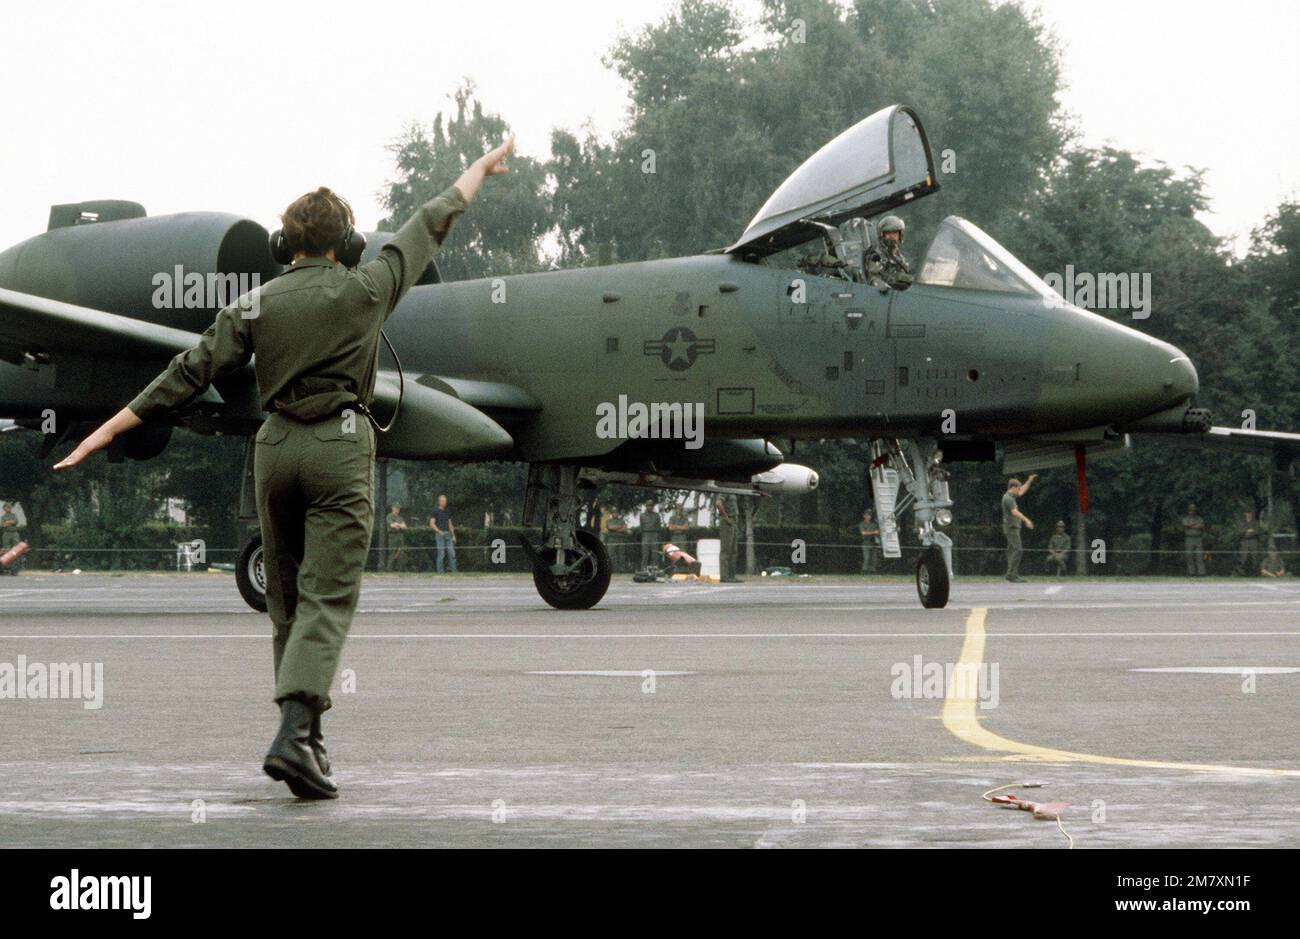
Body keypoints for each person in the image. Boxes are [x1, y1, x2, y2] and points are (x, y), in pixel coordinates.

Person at [53, 137, 515, 800]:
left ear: (283, 244)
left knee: (287, 604)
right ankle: (294, 733)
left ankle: (309, 742)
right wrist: (476, 169)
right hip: (339, 445)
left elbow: (188, 373)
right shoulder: (368, 286)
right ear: (346, 243)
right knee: (327, 601)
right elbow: (431, 219)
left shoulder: (255, 304)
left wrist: (104, 431)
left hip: (274, 447)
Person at [1001, 474, 1037, 583]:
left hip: (1014, 527)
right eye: (1018, 488)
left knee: (1012, 551)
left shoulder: (1011, 496)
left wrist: (1029, 480)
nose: (1019, 490)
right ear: (1013, 487)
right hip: (1011, 528)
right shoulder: (1007, 498)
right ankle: (1011, 575)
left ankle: (1012, 574)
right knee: (1018, 549)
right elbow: (1014, 512)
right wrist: (1026, 520)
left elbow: (1022, 491)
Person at [866, 215, 912, 291]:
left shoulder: (900, 257)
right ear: (882, 235)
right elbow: (873, 279)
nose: (892, 236)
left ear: (900, 235)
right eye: (888, 233)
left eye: (895, 233)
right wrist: (882, 285)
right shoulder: (877, 256)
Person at [714, 493, 740, 582]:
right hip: (727, 522)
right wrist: (726, 517)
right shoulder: (724, 490)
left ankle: (731, 576)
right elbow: (718, 503)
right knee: (726, 549)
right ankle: (724, 576)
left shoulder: (732, 490)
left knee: (733, 550)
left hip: (734, 521)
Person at [429, 493, 457, 574]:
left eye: (445, 501)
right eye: (443, 501)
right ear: (439, 502)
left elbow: (450, 524)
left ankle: (454, 572)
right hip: (440, 535)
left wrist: (453, 536)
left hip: (448, 534)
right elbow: (431, 523)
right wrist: (439, 531)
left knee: (452, 553)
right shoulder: (435, 511)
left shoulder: (447, 511)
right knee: (441, 554)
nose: (444, 502)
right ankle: (440, 573)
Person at [1182, 502, 1206, 576]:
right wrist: (1194, 525)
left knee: (1199, 556)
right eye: (1191, 508)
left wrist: (1191, 526)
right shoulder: (1185, 519)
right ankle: (1191, 572)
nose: (1192, 509)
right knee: (1189, 556)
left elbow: (1201, 526)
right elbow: (1185, 525)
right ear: (1188, 509)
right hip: (1189, 539)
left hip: (1198, 538)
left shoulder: (1199, 518)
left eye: (1194, 508)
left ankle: (1201, 573)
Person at [1237, 510, 1263, 576]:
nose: (1249, 514)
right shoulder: (1241, 522)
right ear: (1245, 514)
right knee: (1243, 558)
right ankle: (1242, 574)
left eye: (1250, 513)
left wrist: (1246, 532)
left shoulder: (1255, 522)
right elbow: (1240, 532)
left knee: (1255, 558)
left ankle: (1255, 574)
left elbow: (1256, 531)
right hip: (1244, 542)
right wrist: (1248, 531)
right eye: (1247, 513)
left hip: (1253, 541)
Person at [1, 503, 22, 575]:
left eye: (9, 507)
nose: (8, 509)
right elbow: (3, 525)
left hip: (14, 533)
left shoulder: (14, 515)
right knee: (6, 551)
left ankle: (15, 570)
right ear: (4, 509)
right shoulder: (3, 516)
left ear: (10, 508)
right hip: (6, 533)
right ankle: (4, 568)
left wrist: (8, 522)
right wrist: (10, 522)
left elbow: (15, 521)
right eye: (6, 508)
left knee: (15, 551)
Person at [638, 502, 661, 570]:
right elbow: (641, 527)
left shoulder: (657, 515)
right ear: (646, 506)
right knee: (645, 553)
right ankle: (643, 569)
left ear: (653, 507)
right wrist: (644, 534)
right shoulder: (642, 515)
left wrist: (656, 534)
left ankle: (655, 569)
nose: (650, 507)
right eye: (648, 506)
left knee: (655, 554)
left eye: (651, 506)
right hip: (645, 535)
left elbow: (658, 526)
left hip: (654, 535)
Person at [386, 504, 408, 572]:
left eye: (398, 508)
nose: (397, 509)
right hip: (393, 536)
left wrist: (397, 525)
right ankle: (389, 570)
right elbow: (392, 525)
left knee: (400, 552)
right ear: (392, 508)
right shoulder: (389, 516)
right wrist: (400, 525)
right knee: (392, 552)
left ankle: (400, 569)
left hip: (400, 536)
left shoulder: (400, 517)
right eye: (396, 508)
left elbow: (405, 527)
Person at [858, 509, 880, 574]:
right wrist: (873, 532)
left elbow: (878, 533)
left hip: (874, 543)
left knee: (874, 559)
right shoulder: (862, 524)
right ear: (864, 516)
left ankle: (873, 571)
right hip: (866, 543)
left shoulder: (874, 524)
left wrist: (877, 533)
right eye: (867, 515)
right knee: (867, 558)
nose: (868, 517)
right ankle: (864, 571)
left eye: (869, 515)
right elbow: (863, 533)